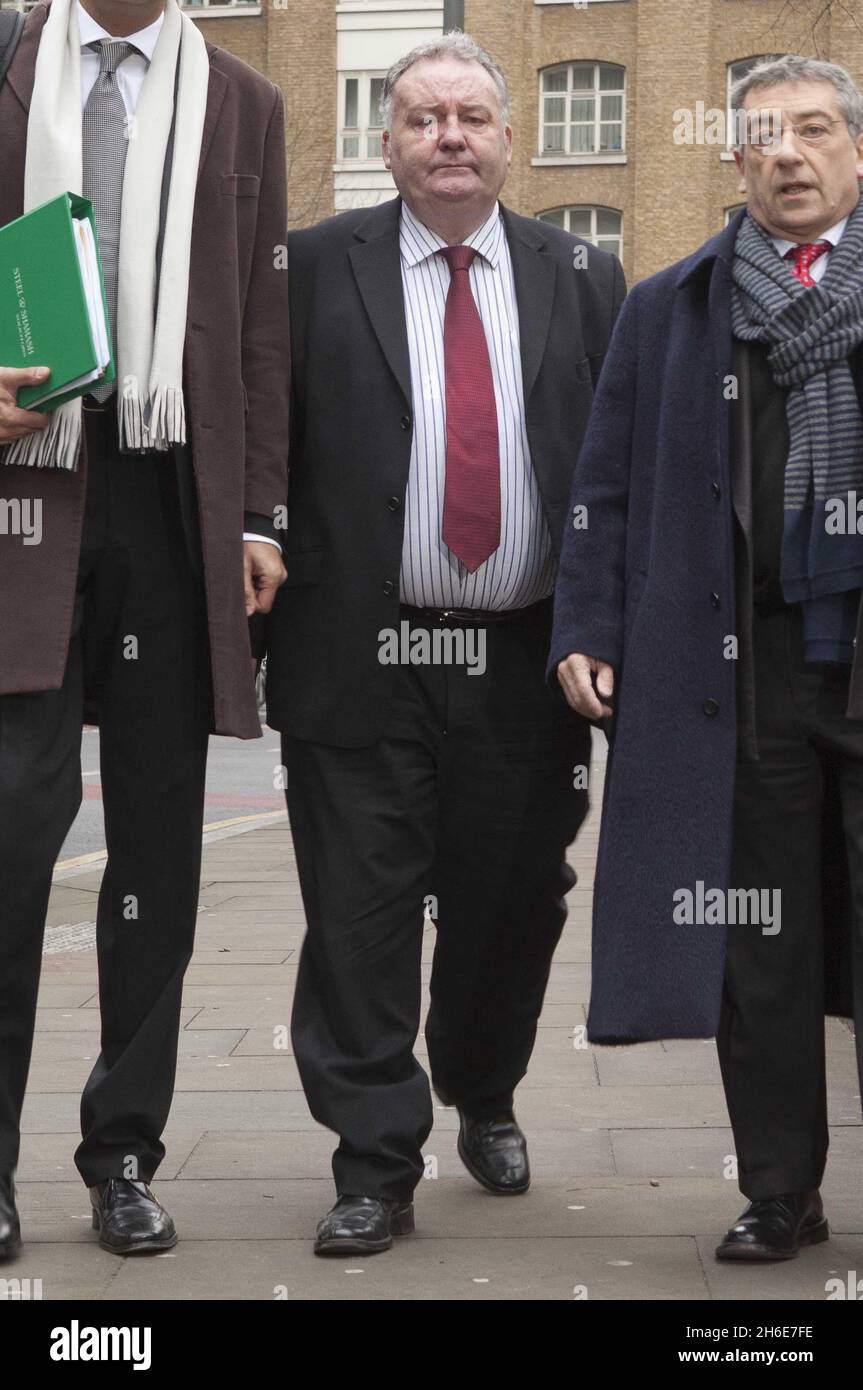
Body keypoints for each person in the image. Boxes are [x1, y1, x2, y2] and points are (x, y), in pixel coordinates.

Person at [265, 31, 624, 1256]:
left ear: (508, 139)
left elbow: (609, 470)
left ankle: (484, 1083)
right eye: (423, 119)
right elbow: (268, 439)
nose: (450, 137)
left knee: (511, 902)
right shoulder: (312, 266)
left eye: (471, 116)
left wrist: (604, 621)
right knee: (359, 914)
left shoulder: (580, 273)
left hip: (523, 664)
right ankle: (374, 1156)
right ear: (388, 144)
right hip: (358, 651)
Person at [550, 54, 863, 1262]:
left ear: (853, 152)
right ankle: (778, 1187)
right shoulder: (671, 306)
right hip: (738, 677)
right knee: (760, 940)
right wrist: (583, 623)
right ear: (733, 160)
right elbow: (605, 486)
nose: (789, 155)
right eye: (764, 138)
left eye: (815, 132)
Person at [0, 0, 288, 1258]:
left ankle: (123, 1152)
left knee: (157, 853)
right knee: (12, 836)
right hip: (24, 489)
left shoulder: (246, 99)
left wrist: (262, 516)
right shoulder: (6, 65)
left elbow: (261, 332)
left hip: (173, 492)